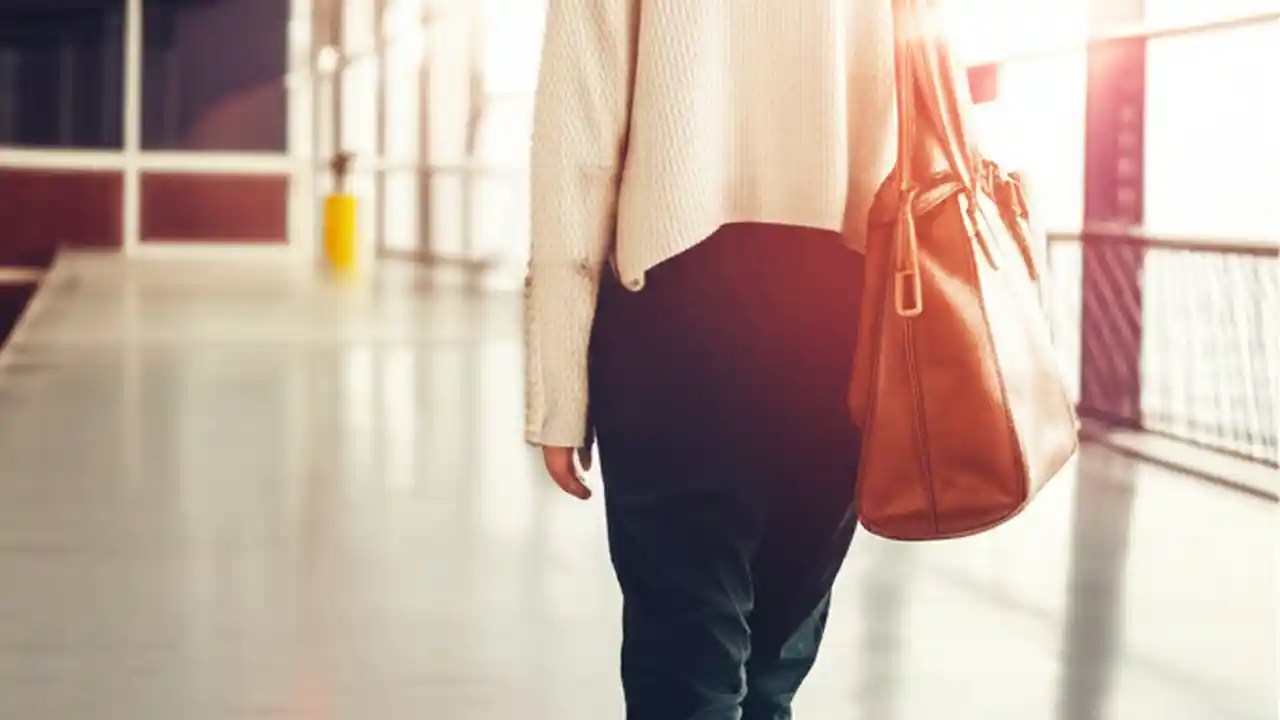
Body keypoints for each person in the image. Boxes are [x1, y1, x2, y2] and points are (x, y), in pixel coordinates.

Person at [523, 1, 899, 717]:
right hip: (849, 301)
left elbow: (579, 137)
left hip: (676, 303)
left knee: (685, 657)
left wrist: (558, 387)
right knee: (772, 662)